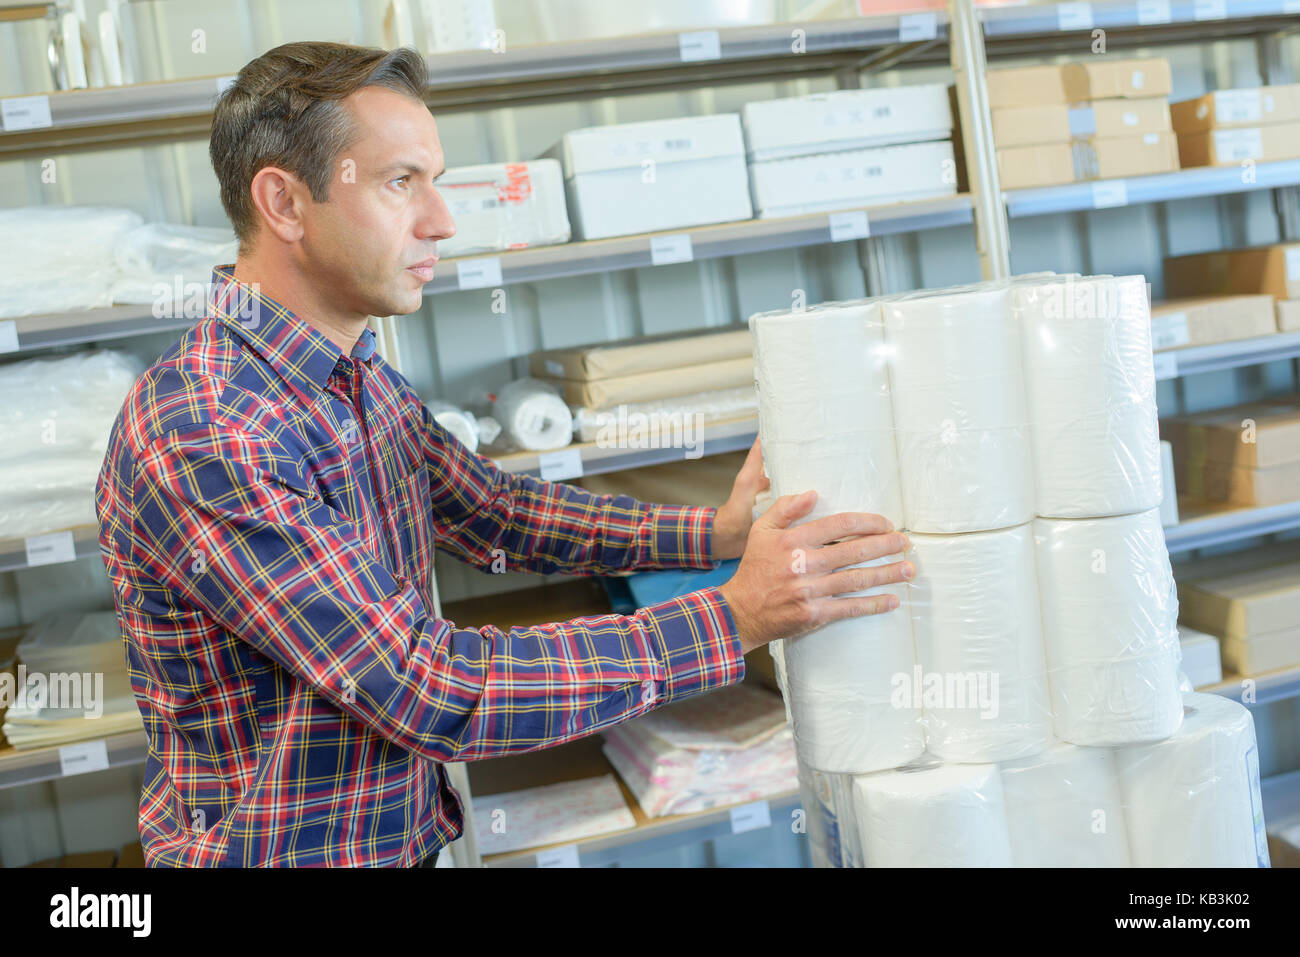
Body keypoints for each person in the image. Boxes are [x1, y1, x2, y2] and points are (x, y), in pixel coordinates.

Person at [94, 41, 912, 868]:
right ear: (285, 203)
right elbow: (427, 685)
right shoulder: (207, 426)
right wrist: (733, 615)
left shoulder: (353, 373)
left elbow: (496, 508)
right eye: (399, 182)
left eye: (434, 180)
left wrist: (717, 534)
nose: (441, 220)